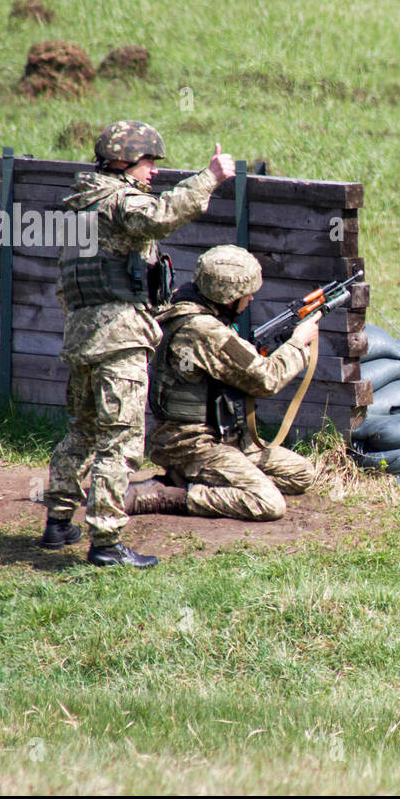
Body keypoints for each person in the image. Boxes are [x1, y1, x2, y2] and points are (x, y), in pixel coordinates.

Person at [39, 120, 235, 567]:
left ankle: (58, 521)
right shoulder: (120, 200)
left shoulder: (79, 205)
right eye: (148, 162)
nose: (154, 172)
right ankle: (106, 544)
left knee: (82, 430)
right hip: (119, 339)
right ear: (124, 162)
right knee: (119, 439)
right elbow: (160, 216)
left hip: (83, 337)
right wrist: (211, 177)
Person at [129, 244, 321, 521]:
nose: (252, 299)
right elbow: (266, 380)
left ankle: (212, 483)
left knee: (302, 474)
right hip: (193, 446)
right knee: (268, 503)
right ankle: (169, 495)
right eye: (246, 293)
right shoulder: (204, 331)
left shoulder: (190, 306)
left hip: (225, 439)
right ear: (227, 296)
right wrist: (298, 345)